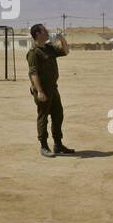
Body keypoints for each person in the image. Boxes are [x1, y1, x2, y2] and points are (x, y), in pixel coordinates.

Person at [27, 23, 75, 157]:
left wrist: (62, 39)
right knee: (43, 118)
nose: (47, 32)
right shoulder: (34, 53)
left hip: (53, 88)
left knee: (58, 115)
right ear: (38, 34)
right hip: (43, 90)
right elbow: (33, 73)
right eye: (44, 30)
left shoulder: (49, 48)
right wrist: (40, 91)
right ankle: (43, 146)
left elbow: (66, 51)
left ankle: (58, 145)